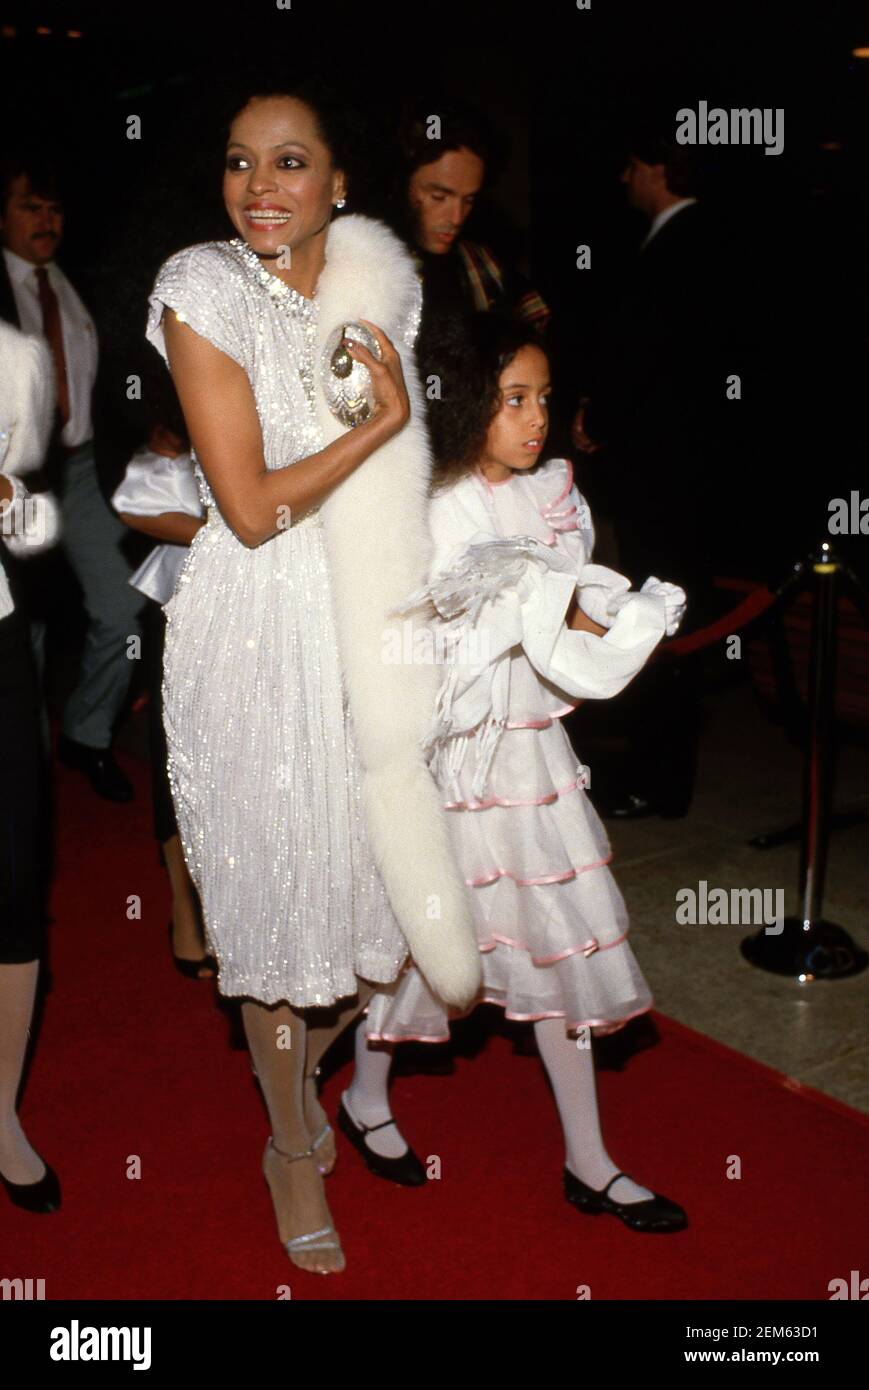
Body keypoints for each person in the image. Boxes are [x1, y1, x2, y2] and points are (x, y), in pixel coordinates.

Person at [145, 80, 479, 1275]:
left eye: (289, 164)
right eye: (239, 163)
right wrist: (373, 429)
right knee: (281, 908)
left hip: (356, 621)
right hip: (254, 629)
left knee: (362, 919)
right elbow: (244, 506)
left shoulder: (374, 284)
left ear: (339, 181)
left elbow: (425, 468)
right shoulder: (199, 286)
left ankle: (303, 1076)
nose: (260, 189)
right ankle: (290, 1141)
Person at [346, 313, 689, 1233]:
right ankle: (363, 1096)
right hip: (449, 755)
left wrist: (604, 626)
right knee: (426, 931)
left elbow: (567, 623)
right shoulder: (425, 501)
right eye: (513, 399)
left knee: (558, 936)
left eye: (542, 398)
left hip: (530, 754)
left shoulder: (554, 496)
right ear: (467, 404)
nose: (535, 418)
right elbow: (398, 640)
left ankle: (590, 1160)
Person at [570, 131, 727, 819]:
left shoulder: (678, 246)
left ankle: (653, 779)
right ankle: (656, 769)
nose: (623, 178)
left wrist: (594, 421)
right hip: (687, 470)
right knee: (665, 610)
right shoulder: (706, 239)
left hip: (663, 472)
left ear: (659, 168)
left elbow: (644, 358)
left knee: (657, 616)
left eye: (631, 164)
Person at [0, 149, 146, 800]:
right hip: (16, 484)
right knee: (22, 631)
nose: (47, 219)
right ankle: (25, 779)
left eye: (55, 208)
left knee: (124, 610)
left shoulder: (80, 281)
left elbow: (116, 375)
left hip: (87, 470)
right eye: (31, 206)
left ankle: (85, 735)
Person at [112, 376, 214, 980]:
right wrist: (226, 536)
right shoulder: (172, 415)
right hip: (186, 594)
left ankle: (242, 906)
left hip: (279, 593)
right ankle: (183, 904)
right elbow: (135, 501)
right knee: (178, 746)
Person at [0, 318, 62, 1212]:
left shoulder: (16, 360)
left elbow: (39, 522)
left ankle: (1, 1110)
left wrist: (12, 497)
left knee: (14, 879)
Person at [389, 101, 550, 341]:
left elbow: (538, 326)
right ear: (404, 182)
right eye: (439, 196)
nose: (456, 218)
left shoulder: (482, 263)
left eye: (469, 200)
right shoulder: (373, 262)